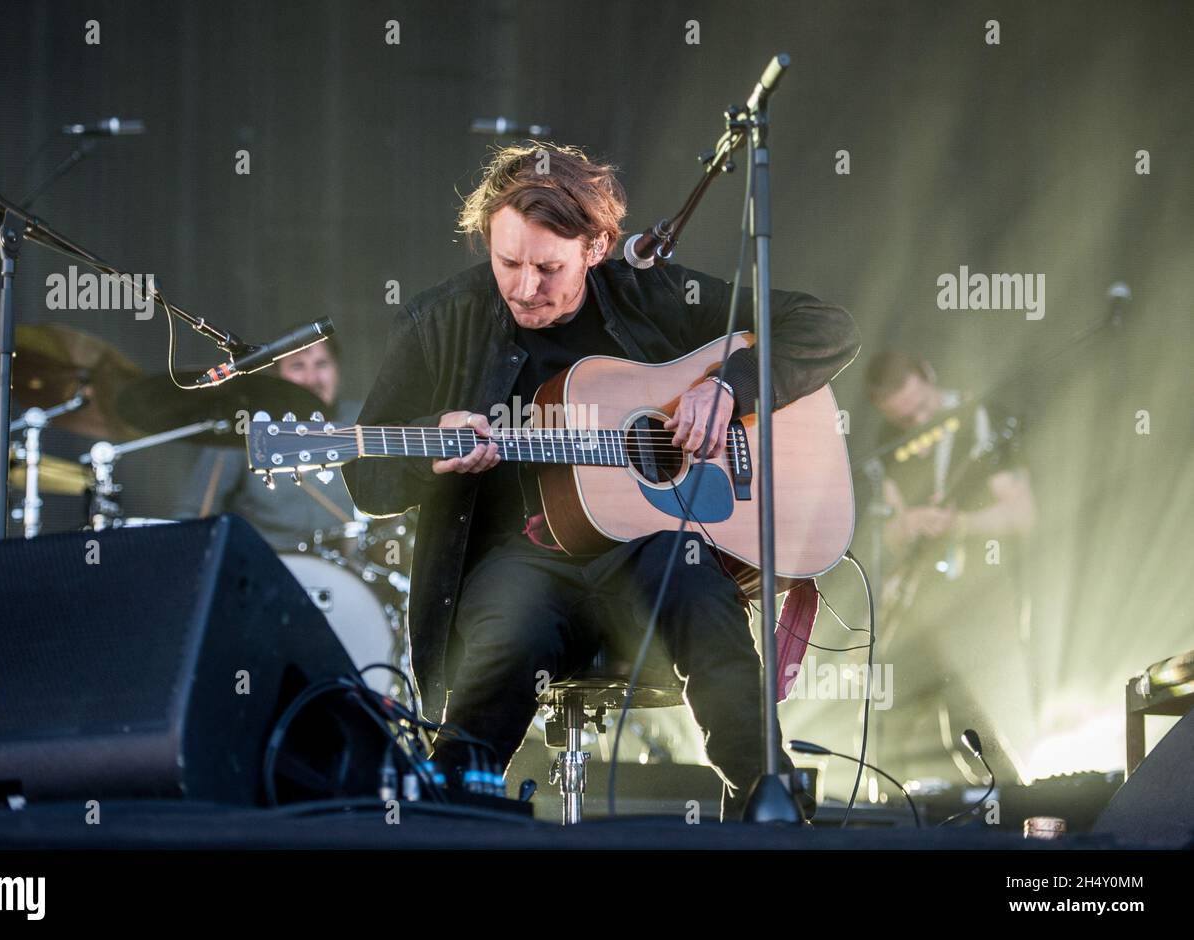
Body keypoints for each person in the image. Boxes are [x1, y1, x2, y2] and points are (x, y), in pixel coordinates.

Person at [343, 143, 860, 820]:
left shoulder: (649, 295)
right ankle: (449, 815)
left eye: (548, 267)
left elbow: (826, 328)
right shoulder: (440, 323)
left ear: (597, 246)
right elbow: (365, 481)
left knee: (700, 592)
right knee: (506, 634)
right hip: (518, 567)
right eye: (508, 263)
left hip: (647, 560)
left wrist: (732, 390)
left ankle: (768, 803)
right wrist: (427, 454)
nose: (526, 287)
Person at [864, 350, 1036, 784]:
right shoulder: (890, 440)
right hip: (917, 605)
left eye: (923, 406)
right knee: (890, 717)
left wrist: (960, 525)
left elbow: (1023, 515)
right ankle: (892, 820)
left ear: (930, 373)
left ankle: (1012, 812)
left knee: (973, 722)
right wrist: (907, 526)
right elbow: (887, 532)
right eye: (905, 417)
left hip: (979, 599)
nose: (917, 419)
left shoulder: (981, 419)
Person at [173, 341, 360, 551]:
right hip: (269, 564)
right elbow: (195, 513)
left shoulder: (361, 422)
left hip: (350, 566)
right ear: (277, 376)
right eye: (298, 366)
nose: (312, 379)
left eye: (322, 364)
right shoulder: (244, 429)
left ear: (338, 370)